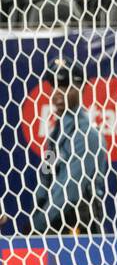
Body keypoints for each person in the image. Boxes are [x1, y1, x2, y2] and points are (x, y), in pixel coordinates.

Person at [28, 58, 108, 235]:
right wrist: (35, 214)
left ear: (81, 89)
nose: (58, 92)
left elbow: (69, 190)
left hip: (79, 228)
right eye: (54, 86)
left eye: (65, 86)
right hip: (52, 225)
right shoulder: (55, 134)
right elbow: (46, 176)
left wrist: (38, 225)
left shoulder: (88, 136)